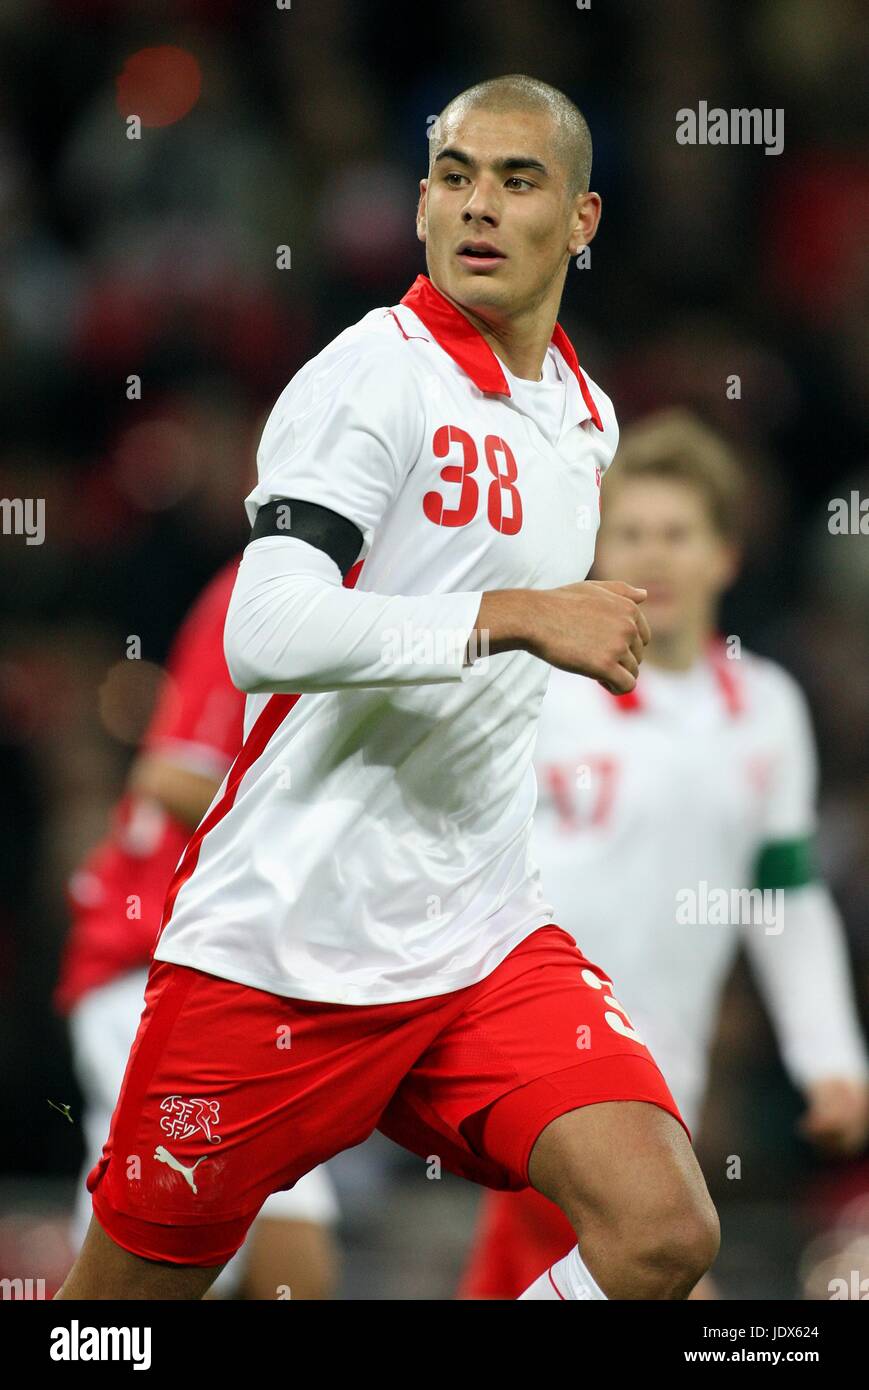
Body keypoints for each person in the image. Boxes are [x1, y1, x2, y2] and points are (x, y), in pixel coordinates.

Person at [56, 74, 719, 1303]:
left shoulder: (585, 420)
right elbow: (265, 625)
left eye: (516, 181)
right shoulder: (371, 375)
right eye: (454, 176)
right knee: (110, 1329)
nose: (477, 205)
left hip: (475, 942)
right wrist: (517, 616)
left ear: (579, 220)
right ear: (419, 204)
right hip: (280, 946)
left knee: (663, 1228)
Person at [458, 409, 869, 1298]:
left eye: (677, 534)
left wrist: (829, 1057)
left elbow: (784, 900)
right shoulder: (536, 690)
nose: (652, 556)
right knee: (674, 1273)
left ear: (724, 555)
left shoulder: (766, 710)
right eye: (630, 533)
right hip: (542, 1072)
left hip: (662, 1090)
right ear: (598, 554)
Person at [54, 558, 342, 1299]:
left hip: (246, 980)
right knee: (144, 1283)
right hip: (154, 965)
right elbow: (170, 775)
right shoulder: (271, 586)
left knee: (291, 1271)